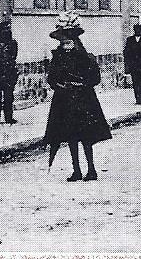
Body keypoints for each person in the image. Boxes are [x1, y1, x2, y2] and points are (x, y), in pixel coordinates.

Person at [45, 21, 112, 182]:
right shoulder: (57, 58)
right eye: (63, 43)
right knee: (71, 137)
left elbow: (95, 78)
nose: (66, 46)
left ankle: (91, 170)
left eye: (68, 42)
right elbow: (51, 78)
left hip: (83, 101)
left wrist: (81, 85)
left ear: (75, 42)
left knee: (86, 137)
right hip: (64, 101)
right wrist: (60, 85)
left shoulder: (85, 58)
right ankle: (76, 170)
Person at [123, 24, 141, 105]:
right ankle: (137, 97)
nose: (138, 31)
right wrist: (128, 63)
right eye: (136, 30)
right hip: (133, 64)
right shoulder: (130, 40)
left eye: (139, 30)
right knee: (135, 81)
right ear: (134, 30)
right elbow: (126, 52)